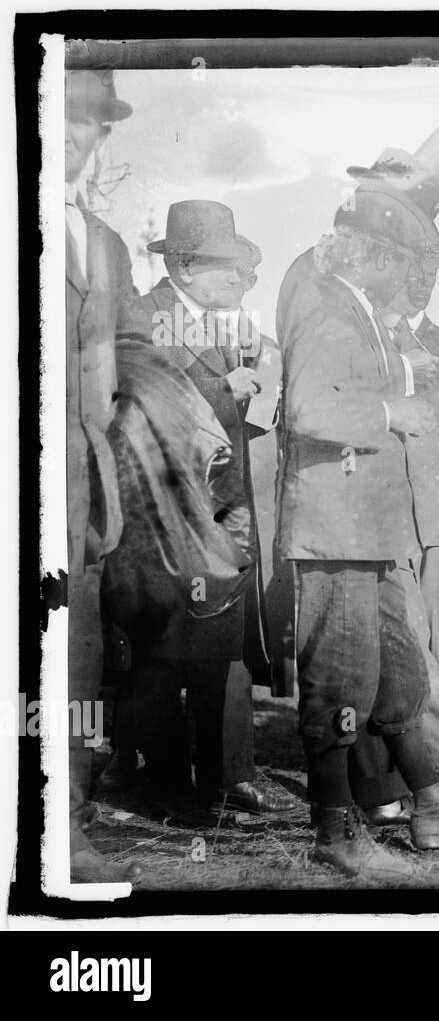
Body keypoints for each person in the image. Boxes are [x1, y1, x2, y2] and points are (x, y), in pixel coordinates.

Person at [276, 186, 439, 879]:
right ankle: (335, 831)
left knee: (402, 677)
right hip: (336, 533)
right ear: (372, 256)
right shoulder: (327, 311)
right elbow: (310, 408)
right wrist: (390, 412)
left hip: (374, 532)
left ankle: (431, 804)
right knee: (339, 685)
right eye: (403, 261)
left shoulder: (364, 311)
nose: (412, 277)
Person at [112, 200, 297, 822]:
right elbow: (147, 397)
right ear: (186, 267)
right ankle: (167, 787)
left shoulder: (228, 324)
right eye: (228, 268)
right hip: (165, 512)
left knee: (224, 647)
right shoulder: (142, 315)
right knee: (165, 646)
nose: (240, 281)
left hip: (225, 509)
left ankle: (227, 777)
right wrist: (227, 390)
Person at [348, 206, 439, 824]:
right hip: (378, 512)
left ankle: (422, 766)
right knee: (394, 641)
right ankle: (429, 765)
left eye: (436, 270)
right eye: (418, 267)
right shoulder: (363, 337)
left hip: (435, 515)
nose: (425, 280)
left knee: (424, 636)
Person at [63, 67, 144, 883]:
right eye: (60, 113)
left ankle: (65, 825)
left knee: (75, 657)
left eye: (90, 122)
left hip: (81, 490)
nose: (74, 133)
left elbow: (130, 356)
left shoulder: (105, 243)